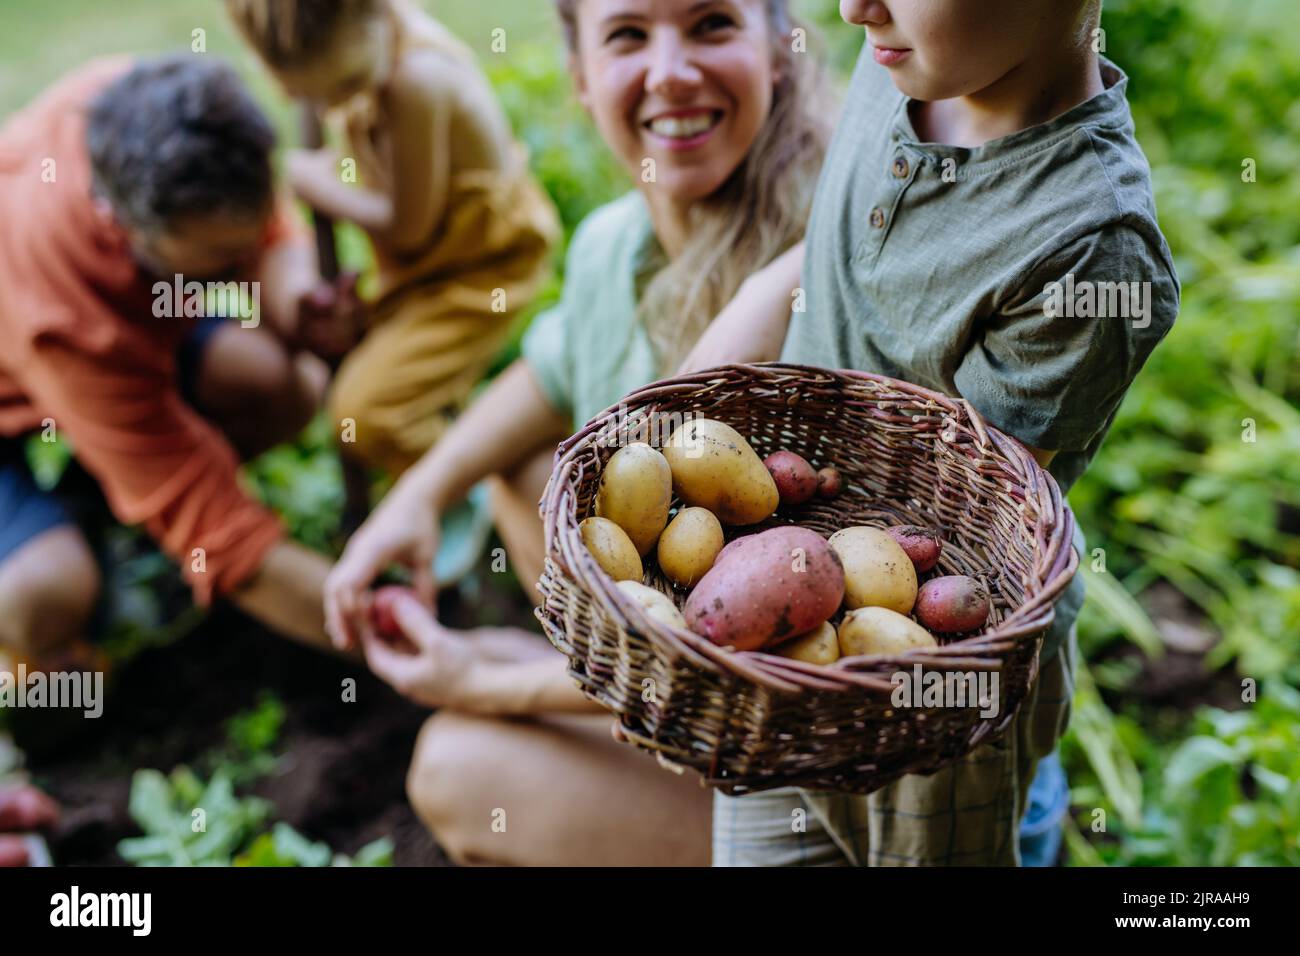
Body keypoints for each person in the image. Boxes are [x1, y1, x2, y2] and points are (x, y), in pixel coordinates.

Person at [324, 0, 830, 866]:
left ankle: (572, 707)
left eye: (711, 24)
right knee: (518, 471)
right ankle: (586, 694)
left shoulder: (810, 283)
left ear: (778, 53)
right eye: (628, 35)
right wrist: (416, 497)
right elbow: (548, 375)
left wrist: (497, 688)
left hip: (812, 770)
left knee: (454, 766)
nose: (670, 71)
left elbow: (739, 650)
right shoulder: (616, 245)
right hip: (698, 700)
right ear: (581, 77)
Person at [700, 0, 1179, 865]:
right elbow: (820, 259)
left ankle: (1032, 820)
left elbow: (951, 533)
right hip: (792, 629)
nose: (854, 8)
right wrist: (687, 413)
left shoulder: (1088, 249)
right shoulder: (905, 59)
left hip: (936, 682)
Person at [0, 55, 356, 664]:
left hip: (120, 327)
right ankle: (38, 652)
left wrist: (299, 297)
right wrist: (393, 633)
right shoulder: (64, 320)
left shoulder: (156, 112)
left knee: (280, 384)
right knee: (45, 593)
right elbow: (229, 543)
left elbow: (267, 235)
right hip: (40, 350)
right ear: (126, 225)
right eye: (223, 265)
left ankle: (118, 496)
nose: (241, 269)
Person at [226, 0, 561, 477]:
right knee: (363, 366)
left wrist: (321, 187)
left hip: (477, 270)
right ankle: (469, 444)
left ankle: (487, 492)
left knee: (365, 415)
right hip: (427, 263)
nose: (328, 109)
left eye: (344, 89)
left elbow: (409, 230)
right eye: (305, 95)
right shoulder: (365, 40)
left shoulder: (416, 81)